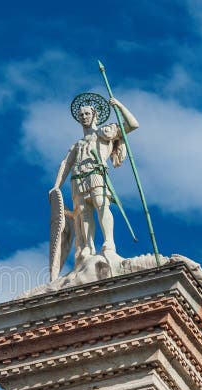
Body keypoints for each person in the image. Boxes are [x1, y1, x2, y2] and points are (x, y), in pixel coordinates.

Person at [51, 96, 139, 267]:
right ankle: (88, 247)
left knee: (101, 204)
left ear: (94, 115)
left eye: (87, 113)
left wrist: (119, 105)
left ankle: (109, 243)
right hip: (77, 178)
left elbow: (133, 125)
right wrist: (56, 187)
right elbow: (66, 163)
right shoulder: (77, 144)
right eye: (81, 115)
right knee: (82, 212)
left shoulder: (104, 132)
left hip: (96, 173)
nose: (84, 117)